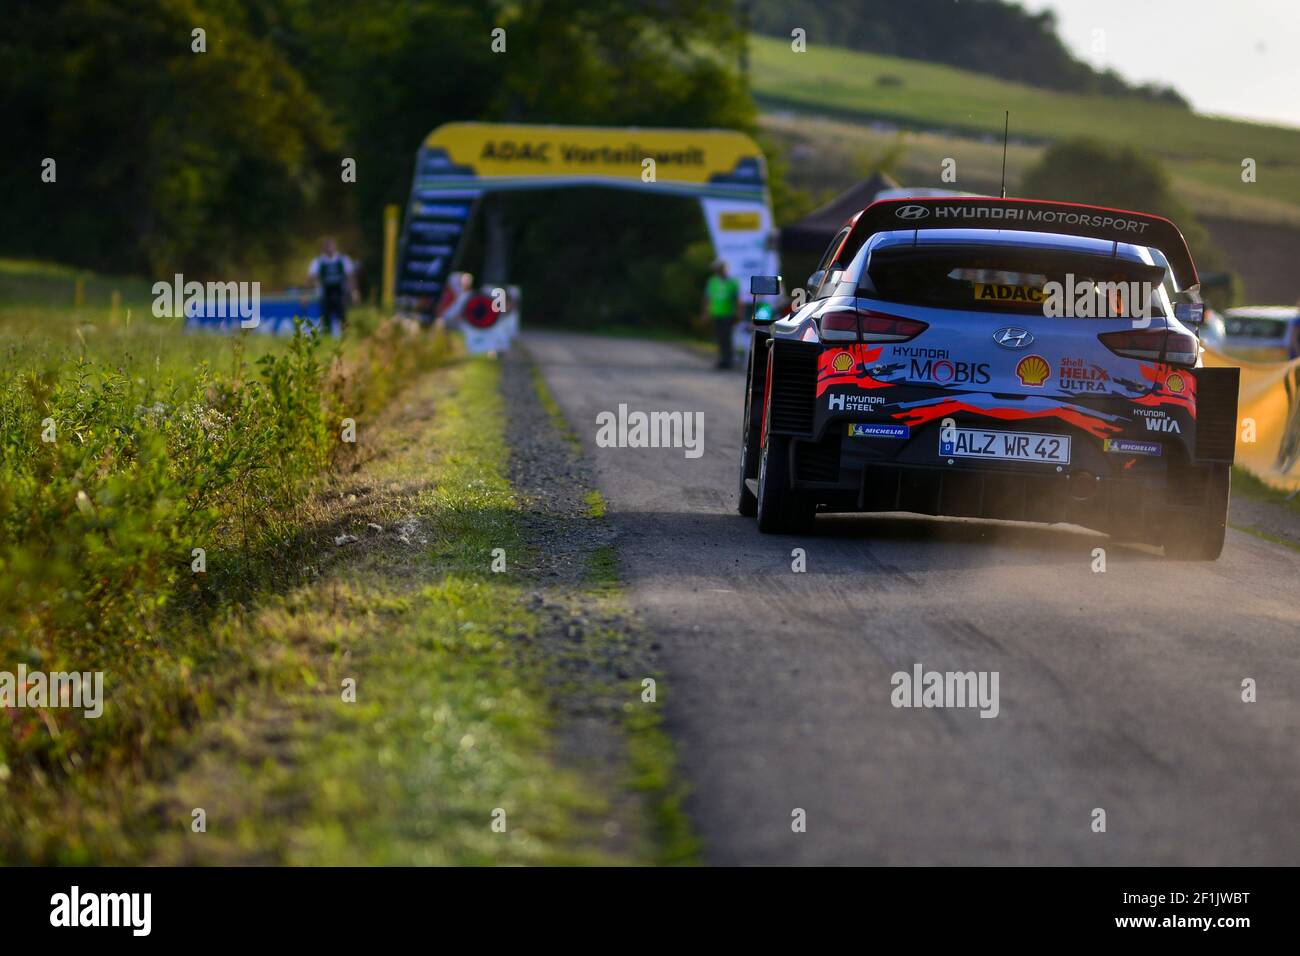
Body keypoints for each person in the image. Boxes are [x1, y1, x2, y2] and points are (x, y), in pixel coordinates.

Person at [308, 237, 358, 335]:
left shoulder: (343, 259)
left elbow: (350, 277)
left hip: (340, 294)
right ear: (323, 248)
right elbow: (311, 278)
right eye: (327, 246)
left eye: (331, 246)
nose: (329, 248)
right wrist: (307, 293)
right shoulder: (318, 262)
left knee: (343, 317)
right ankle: (327, 337)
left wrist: (354, 292)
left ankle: (346, 337)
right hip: (325, 294)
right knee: (325, 318)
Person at [702, 260, 741, 369]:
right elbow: (707, 298)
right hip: (716, 313)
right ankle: (723, 359)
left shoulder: (733, 282)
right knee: (720, 337)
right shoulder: (712, 281)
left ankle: (728, 360)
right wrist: (706, 313)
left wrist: (738, 313)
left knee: (727, 337)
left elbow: (737, 300)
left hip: (728, 314)